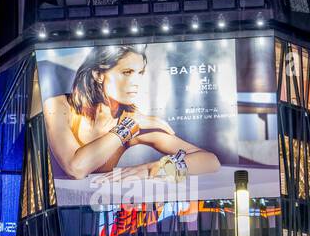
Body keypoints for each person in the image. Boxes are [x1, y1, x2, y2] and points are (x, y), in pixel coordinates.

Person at [42, 44, 221, 185]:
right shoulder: (58, 106)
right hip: (50, 215)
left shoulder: (135, 121)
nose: (136, 82)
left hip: (99, 207)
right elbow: (76, 168)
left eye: (140, 73)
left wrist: (156, 168)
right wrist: (127, 126)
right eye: (126, 72)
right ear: (98, 74)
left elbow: (210, 161)